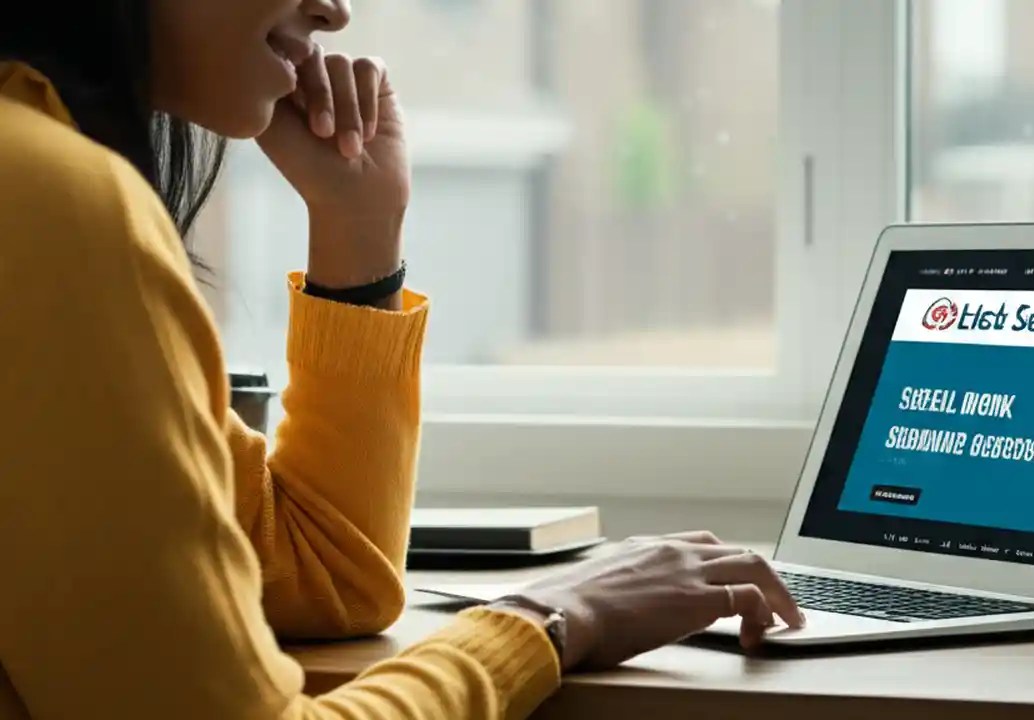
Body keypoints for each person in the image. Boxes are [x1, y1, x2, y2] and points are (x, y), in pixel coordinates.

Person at [0, 1, 804, 718]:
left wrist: (357, 226)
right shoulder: (50, 200)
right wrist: (550, 621)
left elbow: (323, 572)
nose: (333, 11)